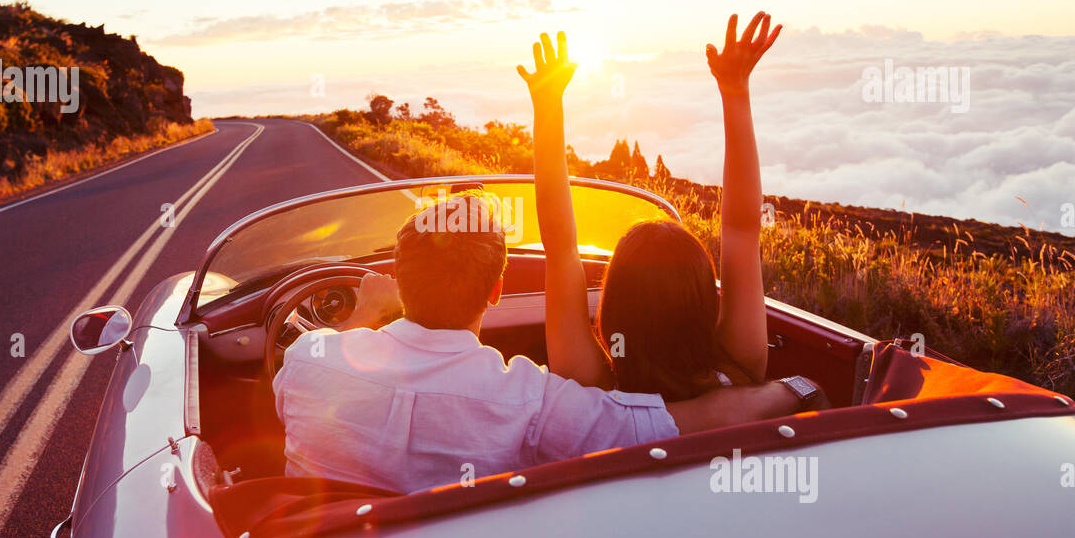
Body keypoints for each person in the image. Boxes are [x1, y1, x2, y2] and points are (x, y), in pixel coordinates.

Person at [273, 188, 819, 494]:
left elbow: (331, 359)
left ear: (398, 279)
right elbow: (666, 425)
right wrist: (790, 388)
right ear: (497, 291)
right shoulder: (528, 401)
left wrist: (365, 314)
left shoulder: (303, 362)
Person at [519, 14, 825, 406]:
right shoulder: (741, 367)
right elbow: (741, 232)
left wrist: (547, 105)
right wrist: (735, 90)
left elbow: (561, 246)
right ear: (705, 305)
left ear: (614, 309)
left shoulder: (594, 388)